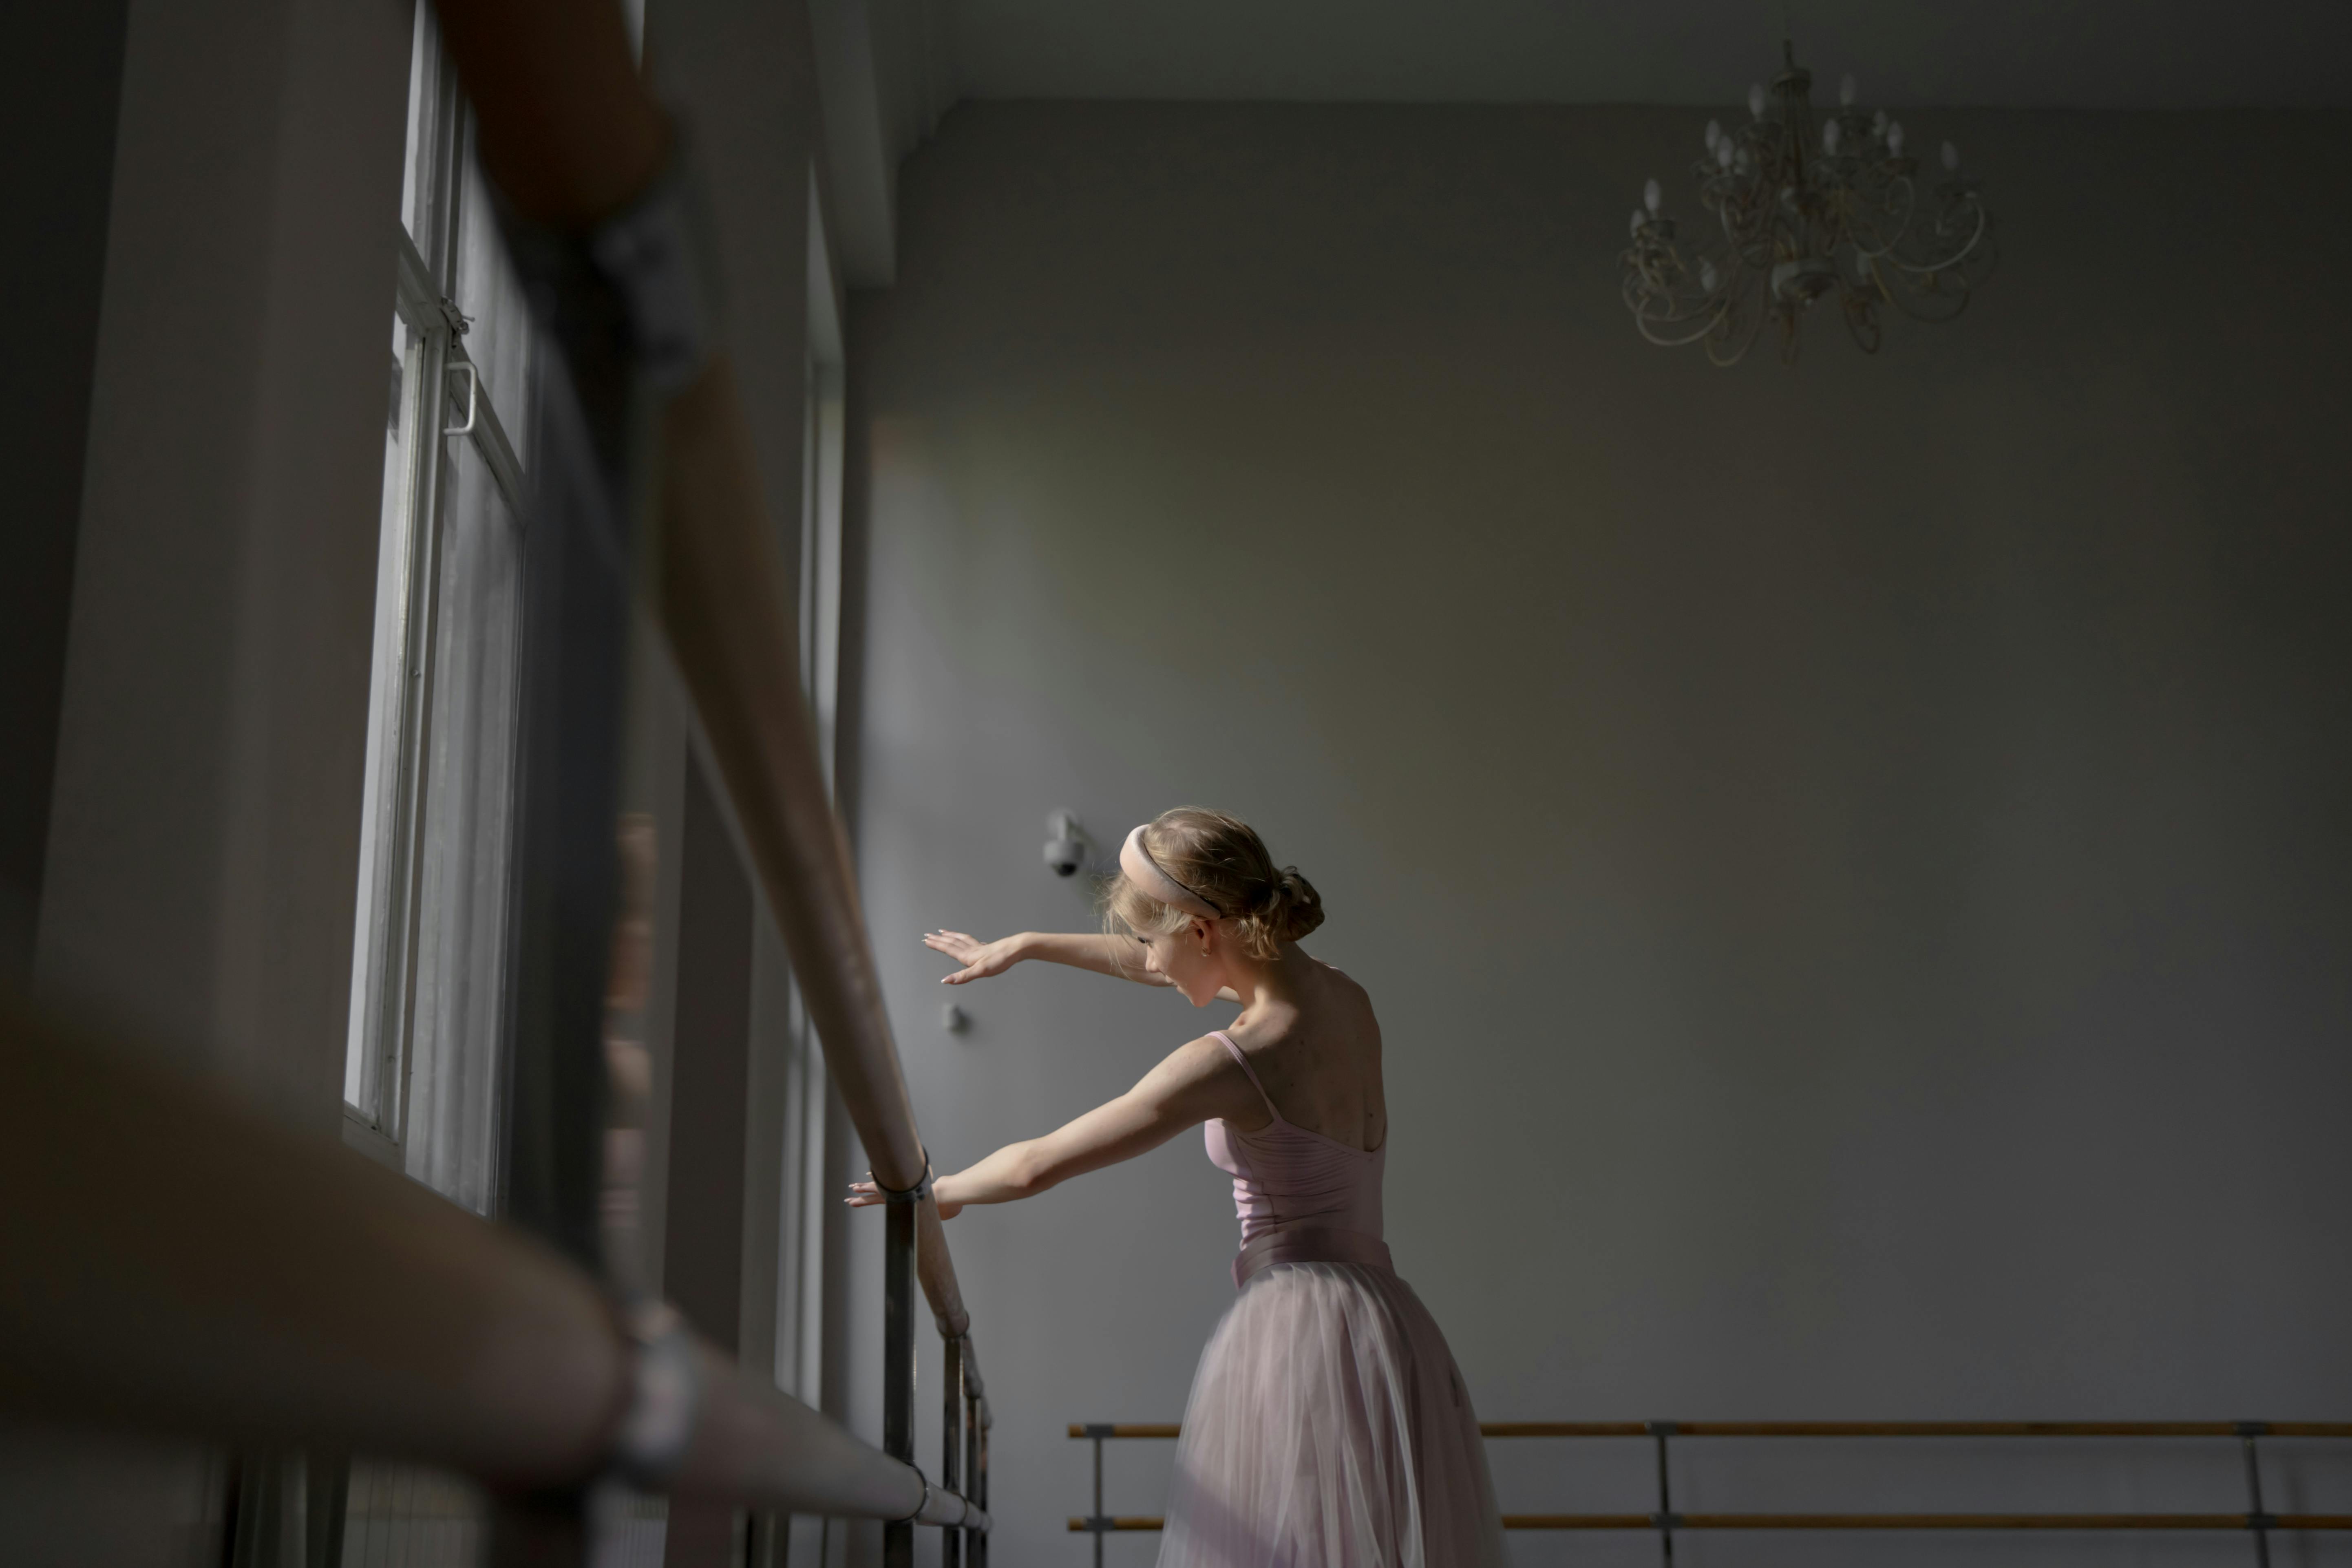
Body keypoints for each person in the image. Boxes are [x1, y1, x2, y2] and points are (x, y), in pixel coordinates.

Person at [850, 807, 1506, 1567]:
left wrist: (944, 1188)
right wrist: (1028, 946)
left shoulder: (1231, 1060)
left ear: (1203, 932)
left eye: (1153, 941)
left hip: (1300, 1329)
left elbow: (1040, 1162)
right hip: (1387, 1323)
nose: (1147, 963)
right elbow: (1165, 964)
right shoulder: (1343, 999)